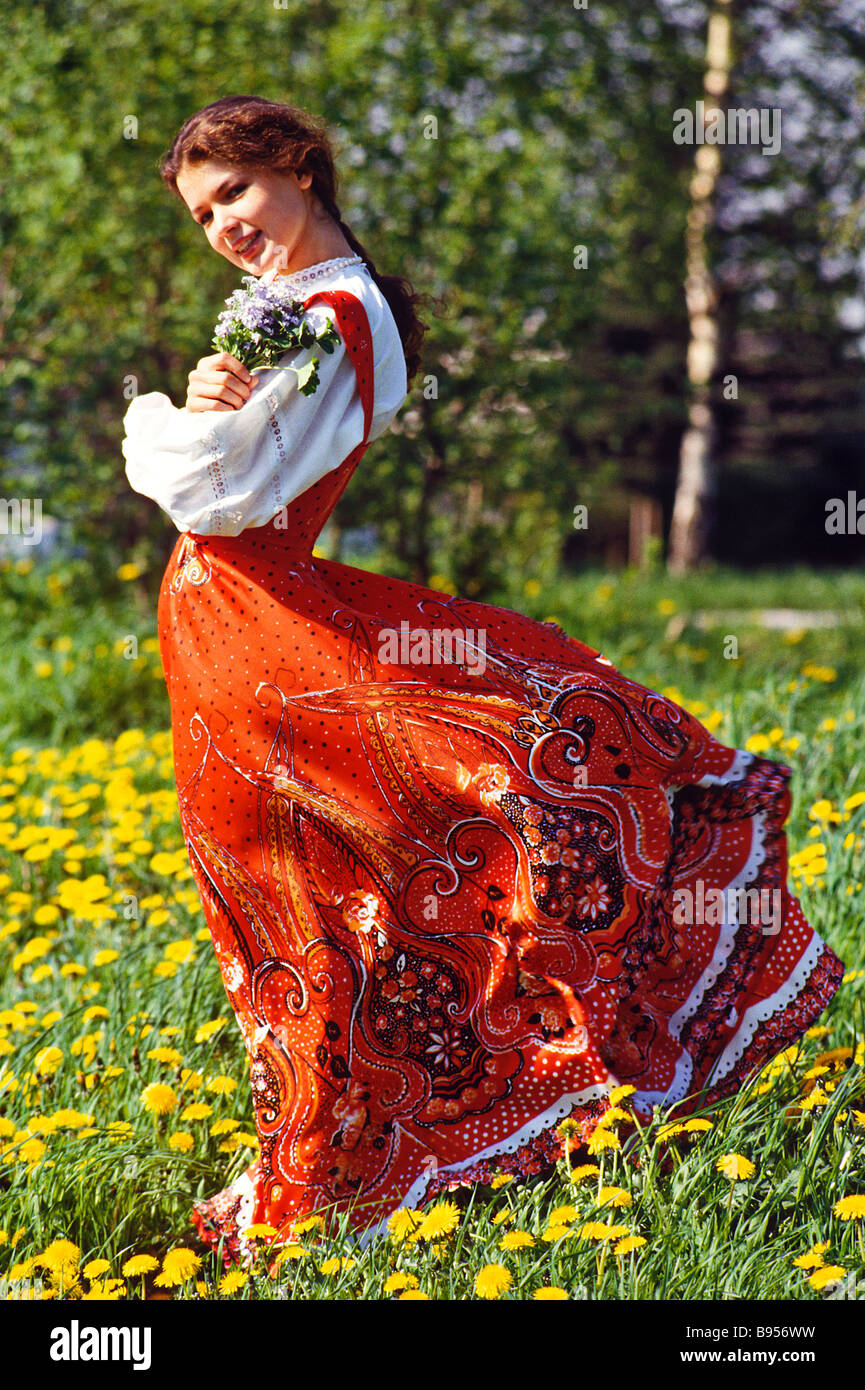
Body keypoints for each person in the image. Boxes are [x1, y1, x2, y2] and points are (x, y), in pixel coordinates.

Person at [122, 95, 844, 1271]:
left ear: (300, 169)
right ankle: (342, 1156)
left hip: (261, 623)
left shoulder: (338, 317)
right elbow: (229, 475)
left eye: (237, 193)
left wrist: (175, 414)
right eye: (203, 212)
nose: (222, 226)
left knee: (350, 882)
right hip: (229, 630)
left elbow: (216, 496)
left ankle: (379, 1153)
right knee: (295, 904)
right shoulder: (292, 314)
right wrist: (216, 412)